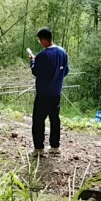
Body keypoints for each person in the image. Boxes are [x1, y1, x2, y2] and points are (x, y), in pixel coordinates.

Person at [28, 27, 69, 156]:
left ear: (44, 40)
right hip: (56, 92)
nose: (40, 43)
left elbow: (36, 72)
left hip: (43, 93)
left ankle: (39, 148)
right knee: (54, 119)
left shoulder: (42, 55)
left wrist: (33, 62)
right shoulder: (62, 52)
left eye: (40, 40)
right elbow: (66, 70)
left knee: (38, 121)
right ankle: (55, 147)